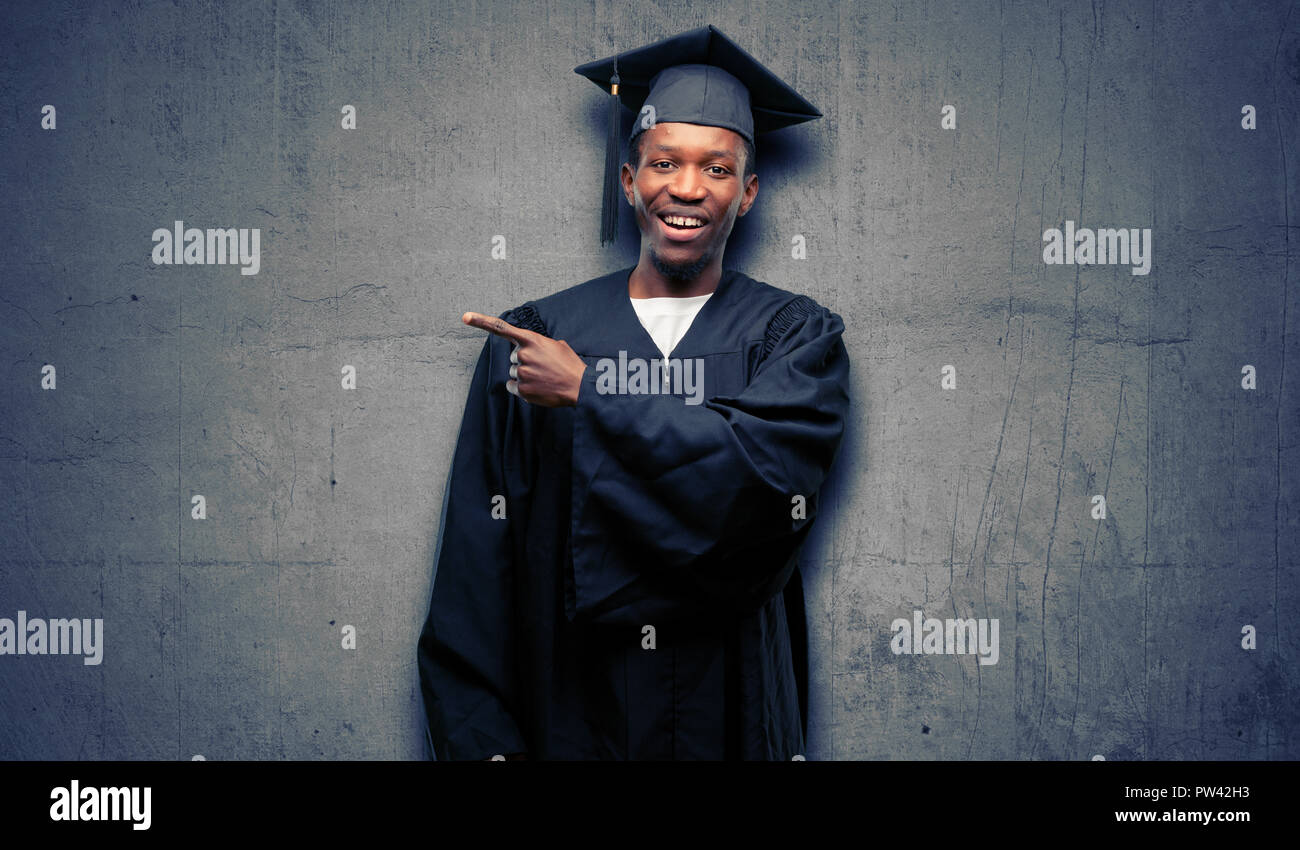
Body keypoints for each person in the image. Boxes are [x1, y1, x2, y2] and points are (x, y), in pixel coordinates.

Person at [417, 25, 851, 760]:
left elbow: (763, 485)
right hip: (574, 717)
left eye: (717, 168)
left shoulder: (794, 340)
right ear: (629, 181)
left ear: (747, 194)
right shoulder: (534, 340)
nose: (686, 187)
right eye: (663, 162)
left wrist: (590, 392)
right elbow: (476, 575)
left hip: (733, 717)